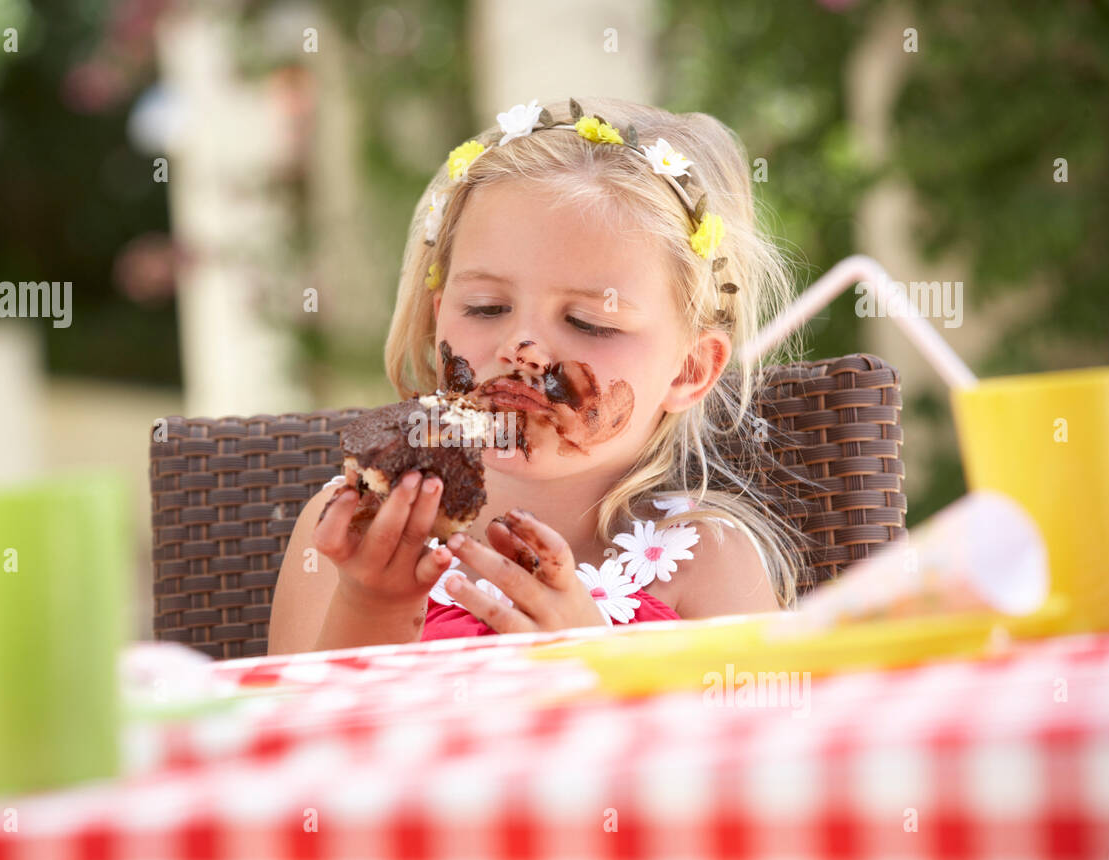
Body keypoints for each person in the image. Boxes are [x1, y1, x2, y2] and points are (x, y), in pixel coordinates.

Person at [269, 96, 812, 653]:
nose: (521, 347)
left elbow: (764, 737)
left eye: (588, 321)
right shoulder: (352, 529)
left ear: (690, 370)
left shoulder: (709, 564)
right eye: (485, 307)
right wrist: (371, 604)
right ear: (438, 321)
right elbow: (292, 735)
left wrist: (598, 666)